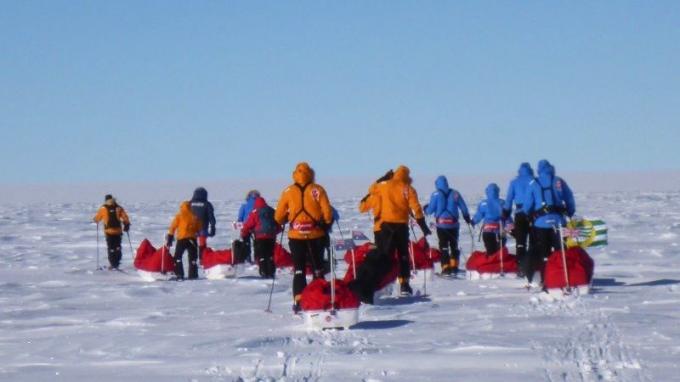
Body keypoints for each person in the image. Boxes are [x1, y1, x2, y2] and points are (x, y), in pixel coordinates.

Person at [274, 162, 333, 312]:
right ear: (311, 174)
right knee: (317, 268)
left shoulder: (288, 191)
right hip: (316, 235)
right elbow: (327, 211)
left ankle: (298, 300)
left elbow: (278, 215)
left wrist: (284, 219)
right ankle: (320, 299)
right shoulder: (318, 189)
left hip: (296, 237)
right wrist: (326, 223)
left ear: (295, 174)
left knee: (299, 269)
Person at [374, 165, 430, 296]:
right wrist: (423, 226)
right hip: (401, 227)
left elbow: (371, 190)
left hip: (385, 227)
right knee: (403, 255)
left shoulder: (383, 185)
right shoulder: (408, 189)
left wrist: (382, 178)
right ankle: (404, 284)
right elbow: (416, 208)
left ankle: (383, 283)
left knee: (386, 255)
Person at [522, 160, 575, 288]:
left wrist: (528, 214)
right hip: (559, 223)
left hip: (541, 224)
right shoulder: (559, 181)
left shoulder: (534, 183)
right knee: (560, 251)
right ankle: (562, 277)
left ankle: (545, 279)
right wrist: (570, 211)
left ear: (538, 170)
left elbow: (527, 205)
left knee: (543, 253)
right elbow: (569, 198)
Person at [424, 176, 471, 276]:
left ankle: (446, 267)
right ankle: (454, 266)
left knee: (443, 246)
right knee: (454, 245)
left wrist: (425, 209)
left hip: (441, 225)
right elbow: (464, 207)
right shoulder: (455, 193)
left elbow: (430, 210)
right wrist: (467, 218)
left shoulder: (435, 194)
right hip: (454, 225)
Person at [503, 163, 535, 277]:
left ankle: (521, 267)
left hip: (519, 213)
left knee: (520, 242)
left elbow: (509, 199)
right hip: (534, 213)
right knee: (534, 241)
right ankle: (534, 266)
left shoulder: (514, 182)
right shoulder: (535, 180)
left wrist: (506, 212)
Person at [240, 196, 281, 278]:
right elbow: (278, 225)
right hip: (271, 237)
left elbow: (248, 225)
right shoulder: (272, 211)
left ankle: (264, 271)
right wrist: (274, 233)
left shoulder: (255, 212)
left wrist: (244, 233)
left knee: (262, 255)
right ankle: (271, 272)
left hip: (260, 237)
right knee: (270, 255)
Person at [471, 183, 510, 255]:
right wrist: (510, 225)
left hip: (487, 231)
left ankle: (490, 262)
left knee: (490, 251)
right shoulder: (502, 203)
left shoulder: (483, 203)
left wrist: (473, 221)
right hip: (500, 231)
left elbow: (478, 215)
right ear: (498, 191)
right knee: (500, 252)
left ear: (487, 192)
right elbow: (507, 216)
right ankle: (499, 263)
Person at [93, 194, 131, 270]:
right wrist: (126, 225)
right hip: (118, 231)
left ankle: (112, 263)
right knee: (117, 246)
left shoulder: (103, 208)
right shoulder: (118, 207)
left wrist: (96, 220)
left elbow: (96, 218)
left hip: (108, 232)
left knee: (111, 248)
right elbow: (125, 217)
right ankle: (117, 262)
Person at [166, 201, 202, 280]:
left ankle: (179, 274)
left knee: (178, 257)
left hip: (182, 239)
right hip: (192, 240)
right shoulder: (195, 216)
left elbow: (173, 227)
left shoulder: (179, 215)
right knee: (193, 258)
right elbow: (199, 229)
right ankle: (193, 275)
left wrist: (170, 237)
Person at [190, 187, 216, 259]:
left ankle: (193, 259)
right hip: (203, 228)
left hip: (191, 228)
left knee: (192, 243)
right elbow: (211, 217)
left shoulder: (190, 203)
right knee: (202, 244)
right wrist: (213, 228)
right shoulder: (207, 204)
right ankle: (202, 259)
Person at [237, 190, 261, 263]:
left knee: (246, 243)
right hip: (257, 226)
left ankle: (248, 258)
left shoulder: (244, 205)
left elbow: (240, 217)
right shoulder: (260, 205)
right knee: (257, 243)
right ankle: (258, 258)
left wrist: (239, 223)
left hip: (246, 226)